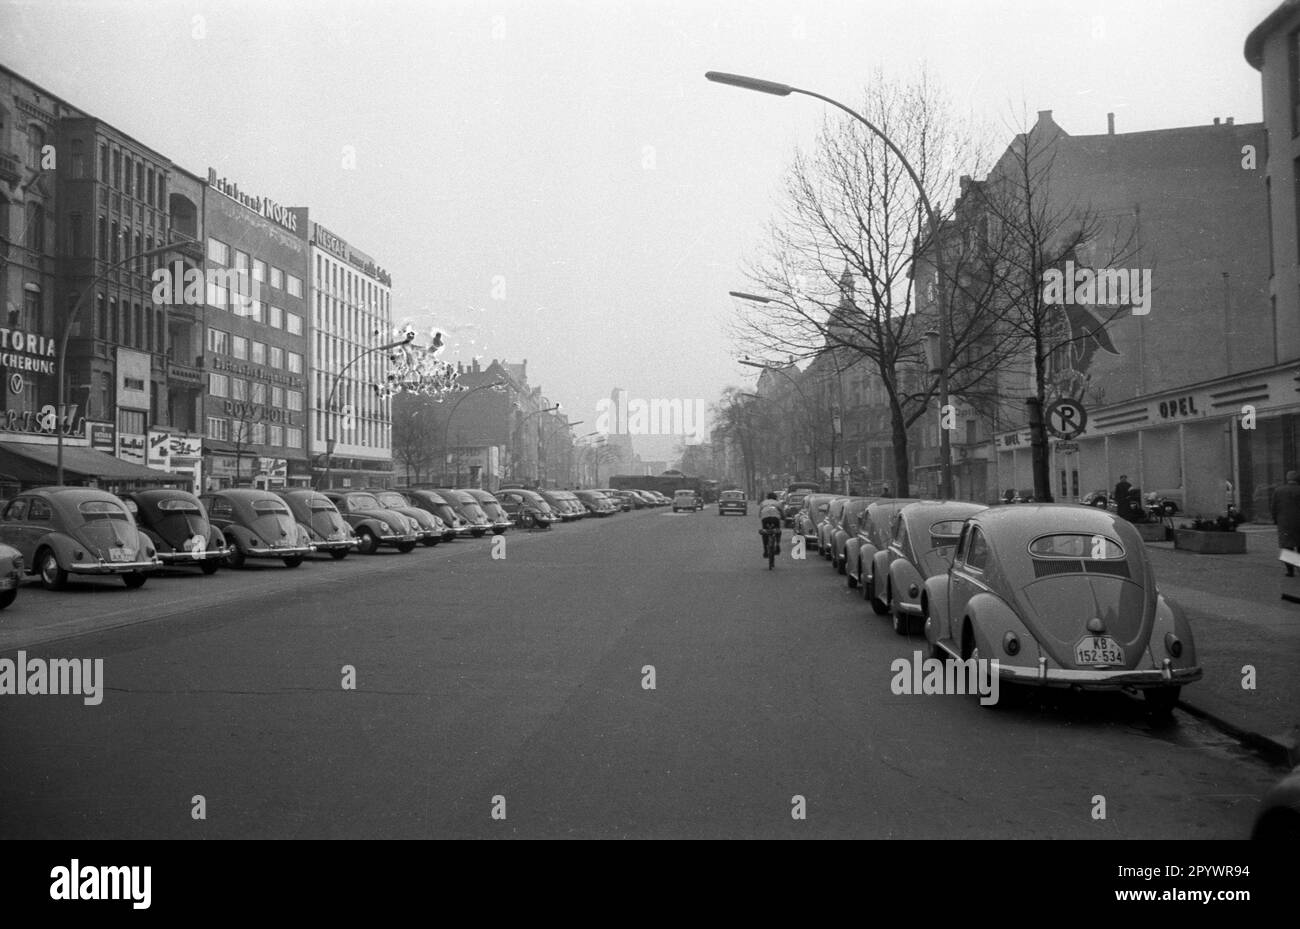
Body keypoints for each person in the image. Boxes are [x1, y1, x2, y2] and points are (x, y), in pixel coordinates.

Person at [1272, 471, 1300, 576]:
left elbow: (1274, 507)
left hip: (1285, 523)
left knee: (1287, 546)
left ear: (1287, 478)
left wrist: (1275, 519)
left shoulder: (1279, 491)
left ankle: (1290, 570)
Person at [758, 492, 783, 558]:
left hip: (765, 518)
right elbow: (782, 513)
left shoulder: (763, 502)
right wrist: (783, 517)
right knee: (778, 530)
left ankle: (765, 550)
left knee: (765, 532)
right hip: (775, 518)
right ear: (775, 497)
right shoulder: (778, 503)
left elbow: (760, 514)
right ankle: (777, 544)